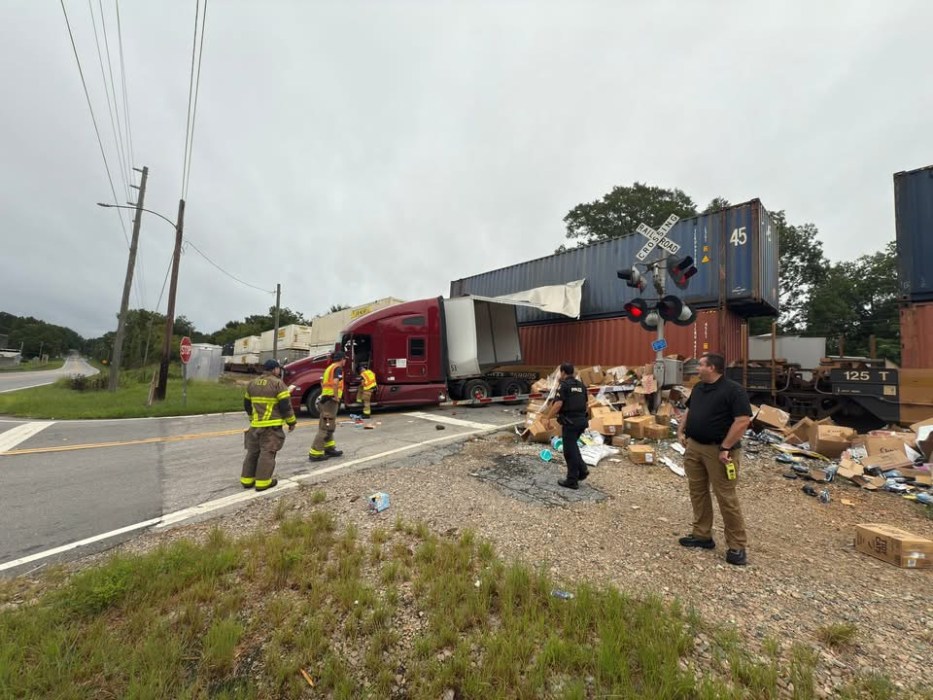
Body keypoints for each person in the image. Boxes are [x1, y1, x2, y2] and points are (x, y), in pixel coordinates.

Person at [676, 352, 753, 566]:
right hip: (695, 447)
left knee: (726, 497)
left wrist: (726, 447)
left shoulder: (733, 391)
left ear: (712, 368)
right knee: (697, 491)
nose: (696, 368)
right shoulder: (699, 388)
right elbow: (690, 411)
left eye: (700, 365)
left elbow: (742, 420)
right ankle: (702, 535)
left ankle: (737, 546)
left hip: (719, 452)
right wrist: (681, 431)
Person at [241, 359, 296, 491]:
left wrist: (251, 418)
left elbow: (247, 404)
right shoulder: (278, 384)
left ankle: (247, 480)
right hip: (271, 426)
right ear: (274, 369)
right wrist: (291, 422)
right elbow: (285, 406)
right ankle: (263, 482)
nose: (279, 371)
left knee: (252, 452)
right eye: (278, 369)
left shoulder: (252, 384)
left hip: (255, 425)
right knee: (267, 453)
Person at [543, 362, 589, 489]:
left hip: (570, 423)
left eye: (560, 372)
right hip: (581, 422)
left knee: (569, 451)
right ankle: (582, 471)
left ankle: (572, 480)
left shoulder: (564, 386)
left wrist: (547, 418)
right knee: (573, 447)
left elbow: (557, 405)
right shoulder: (581, 385)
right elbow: (586, 405)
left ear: (563, 372)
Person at [308, 350, 346, 462]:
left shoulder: (329, 368)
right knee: (326, 426)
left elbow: (321, 382)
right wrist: (335, 396)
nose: (345, 361)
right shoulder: (337, 368)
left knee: (329, 425)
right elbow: (335, 383)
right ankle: (315, 453)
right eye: (344, 359)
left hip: (325, 399)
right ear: (342, 359)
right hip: (330, 401)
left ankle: (329, 448)